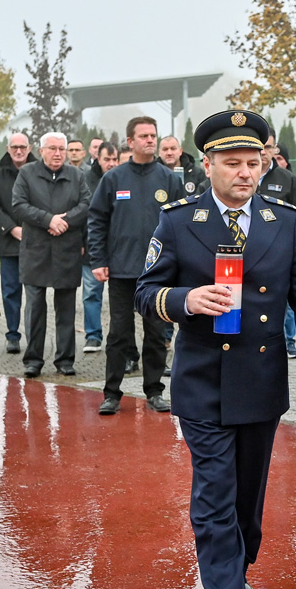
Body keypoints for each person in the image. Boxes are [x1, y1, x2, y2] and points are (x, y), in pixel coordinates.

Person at [133, 109, 296, 589]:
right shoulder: (179, 221)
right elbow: (145, 293)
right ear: (208, 165)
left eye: (254, 162)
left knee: (248, 495)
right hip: (202, 380)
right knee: (215, 490)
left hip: (260, 379)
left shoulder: (284, 221)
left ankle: (237, 570)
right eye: (233, 163)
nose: (246, 173)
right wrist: (186, 298)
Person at [88, 116, 185, 415]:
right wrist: (98, 260)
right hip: (121, 270)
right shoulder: (113, 179)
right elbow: (97, 220)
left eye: (153, 135)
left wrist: (179, 266)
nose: (150, 140)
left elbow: (182, 224)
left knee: (156, 333)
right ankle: (111, 394)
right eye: (144, 136)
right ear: (130, 142)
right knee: (119, 333)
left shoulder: (169, 179)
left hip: (158, 273)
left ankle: (154, 391)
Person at [11, 132, 91, 378]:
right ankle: (33, 360)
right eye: (52, 149)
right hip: (36, 250)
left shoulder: (76, 175)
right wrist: (48, 220)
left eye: (61, 149)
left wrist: (64, 222)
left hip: (67, 249)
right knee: (35, 307)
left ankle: (65, 360)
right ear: (41, 151)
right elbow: (19, 205)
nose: (58, 154)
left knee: (66, 309)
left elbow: (86, 204)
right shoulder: (27, 173)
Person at [256, 126, 296, 358]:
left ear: (275, 149)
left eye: (267, 147)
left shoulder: (289, 181)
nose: (262, 152)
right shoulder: (241, 178)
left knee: (281, 309)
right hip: (246, 261)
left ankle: (283, 344)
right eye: (258, 147)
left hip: (279, 259)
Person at [0, 134, 37, 354]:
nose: (18, 150)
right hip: (8, 243)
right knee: (10, 292)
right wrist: (11, 228)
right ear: (8, 148)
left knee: (35, 294)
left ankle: (35, 337)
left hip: (36, 242)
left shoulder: (39, 171)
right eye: (14, 147)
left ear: (29, 148)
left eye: (22, 146)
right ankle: (13, 335)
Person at [80, 142, 120, 353]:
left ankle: (119, 338)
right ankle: (93, 335)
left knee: (120, 299)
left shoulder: (123, 177)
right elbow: (82, 214)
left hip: (119, 249)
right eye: (107, 160)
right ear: (98, 159)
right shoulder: (86, 179)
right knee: (91, 294)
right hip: (92, 247)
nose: (111, 164)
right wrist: (81, 242)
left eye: (115, 159)